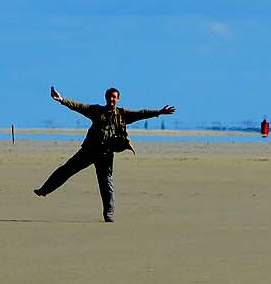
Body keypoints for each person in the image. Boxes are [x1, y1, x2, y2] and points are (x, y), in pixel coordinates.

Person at [35, 85, 174, 222]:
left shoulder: (122, 114)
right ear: (105, 98)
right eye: (109, 97)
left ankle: (109, 213)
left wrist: (159, 112)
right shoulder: (96, 111)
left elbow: (141, 114)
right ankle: (44, 190)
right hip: (89, 150)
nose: (111, 99)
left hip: (105, 154)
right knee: (66, 169)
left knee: (106, 183)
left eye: (114, 97)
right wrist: (61, 100)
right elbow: (79, 107)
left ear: (118, 99)